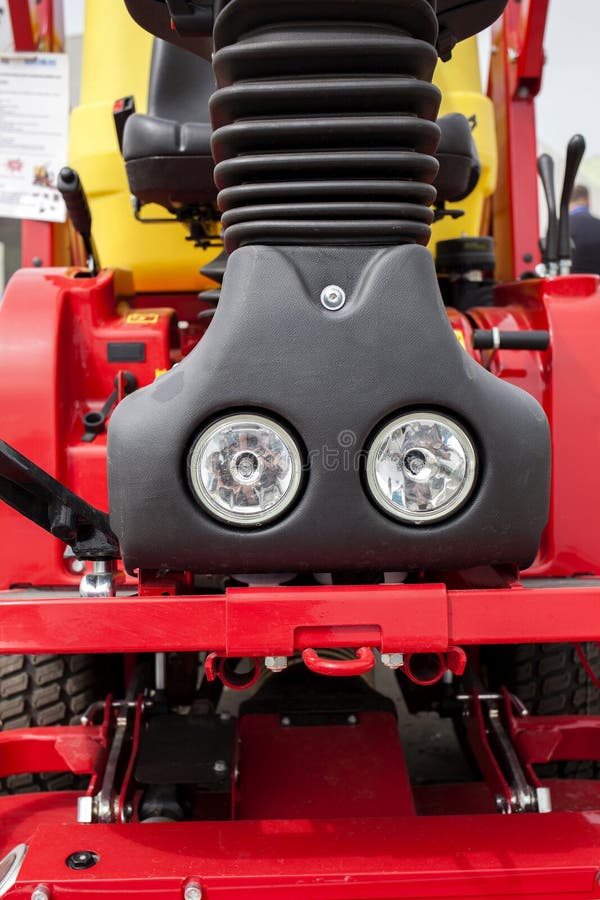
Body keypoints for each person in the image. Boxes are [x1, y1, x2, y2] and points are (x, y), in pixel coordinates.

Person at [569, 184, 600, 275]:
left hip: (569, 284)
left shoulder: (560, 225)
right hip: (596, 285)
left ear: (569, 201)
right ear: (588, 201)